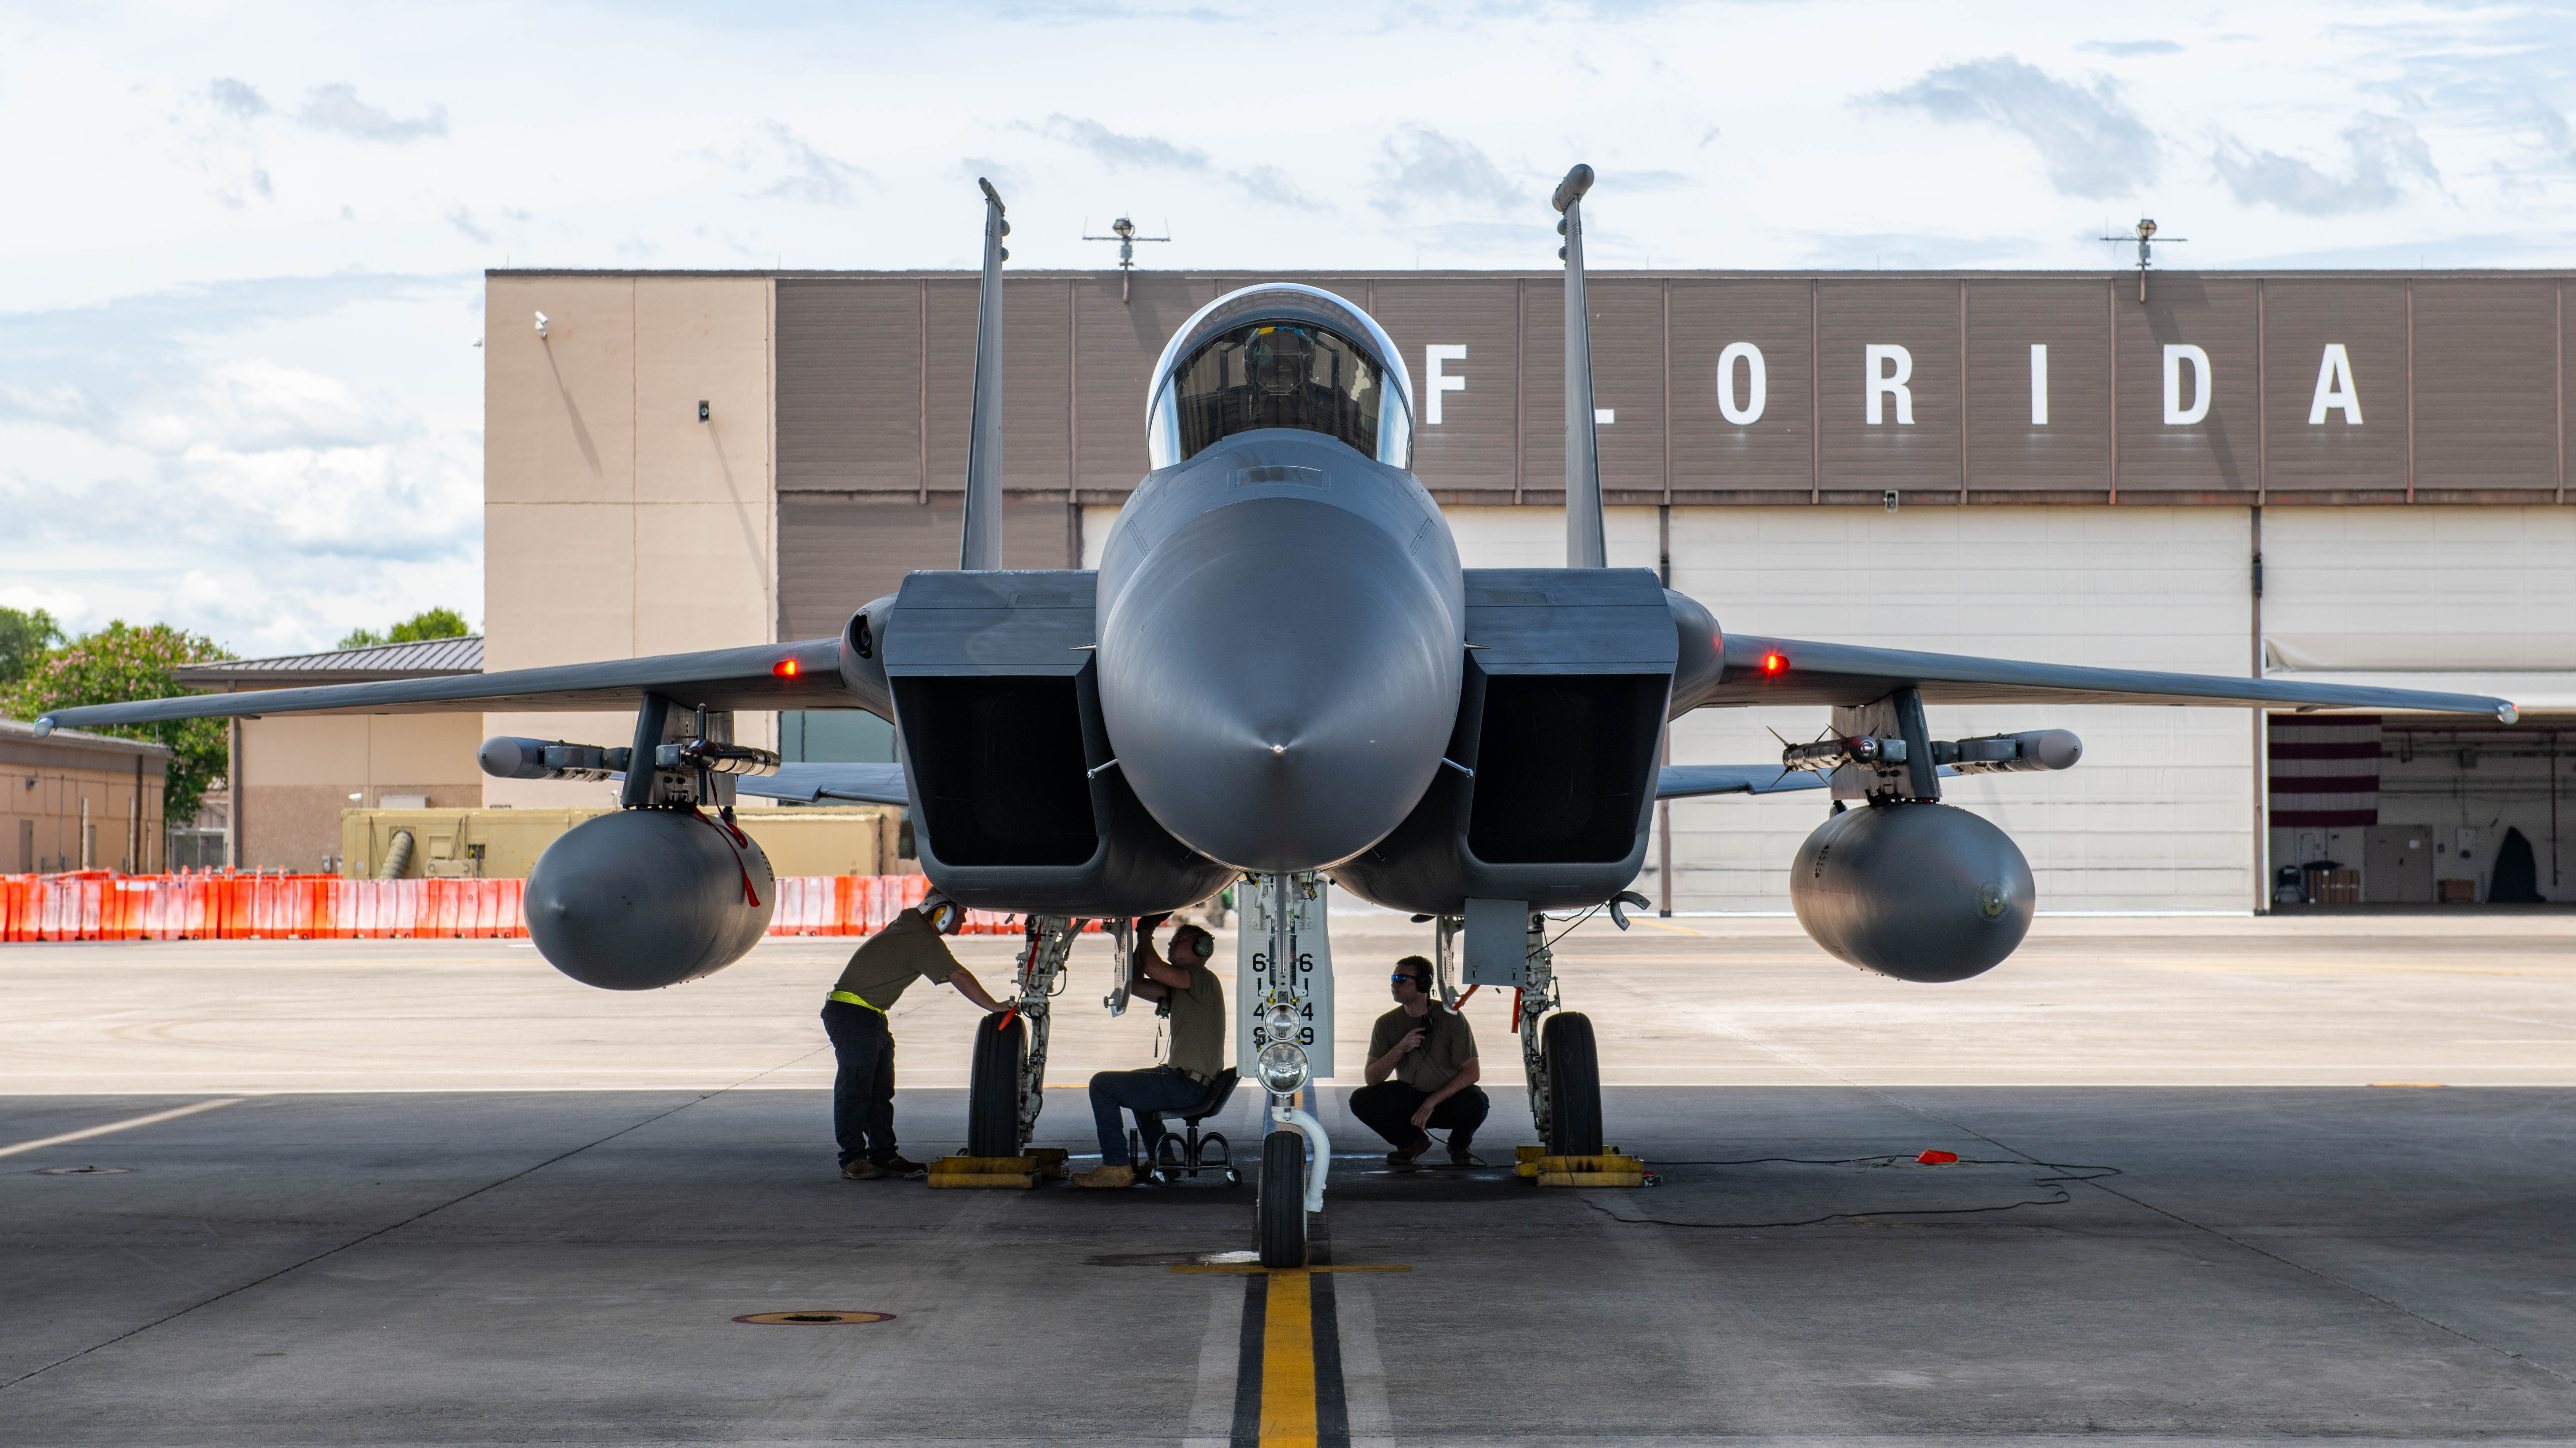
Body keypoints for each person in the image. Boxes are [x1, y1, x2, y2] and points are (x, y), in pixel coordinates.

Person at [823, 889, 1011, 1180]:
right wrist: (995, 1006)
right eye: (961, 913)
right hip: (852, 1015)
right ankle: (853, 1159)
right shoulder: (919, 937)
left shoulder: (912, 926)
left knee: (880, 1092)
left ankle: (884, 1155)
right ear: (942, 913)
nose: (963, 919)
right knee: (856, 1089)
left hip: (869, 1016)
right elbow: (958, 975)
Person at [1071, 916, 1227, 1188]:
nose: (1172, 944)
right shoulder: (1181, 986)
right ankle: (1163, 1160)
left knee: (1102, 1085)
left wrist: (1144, 930)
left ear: (1201, 948)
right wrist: (1139, 938)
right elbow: (1133, 982)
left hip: (1188, 1085)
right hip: (1186, 1081)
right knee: (1136, 1086)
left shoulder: (1200, 977)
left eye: (1180, 940)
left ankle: (1116, 1167)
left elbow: (1153, 967)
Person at [1350, 954, 1486, 1170]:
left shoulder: (1452, 1018)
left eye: (1402, 979)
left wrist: (1430, 1103)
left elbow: (1472, 1073)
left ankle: (1459, 1146)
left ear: (1424, 983)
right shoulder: (1386, 1024)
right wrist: (1401, 1048)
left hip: (1446, 1101)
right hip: (1411, 1098)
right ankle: (1411, 1143)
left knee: (1477, 1101)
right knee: (1361, 1100)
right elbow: (1372, 1078)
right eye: (1394, 978)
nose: (1395, 984)